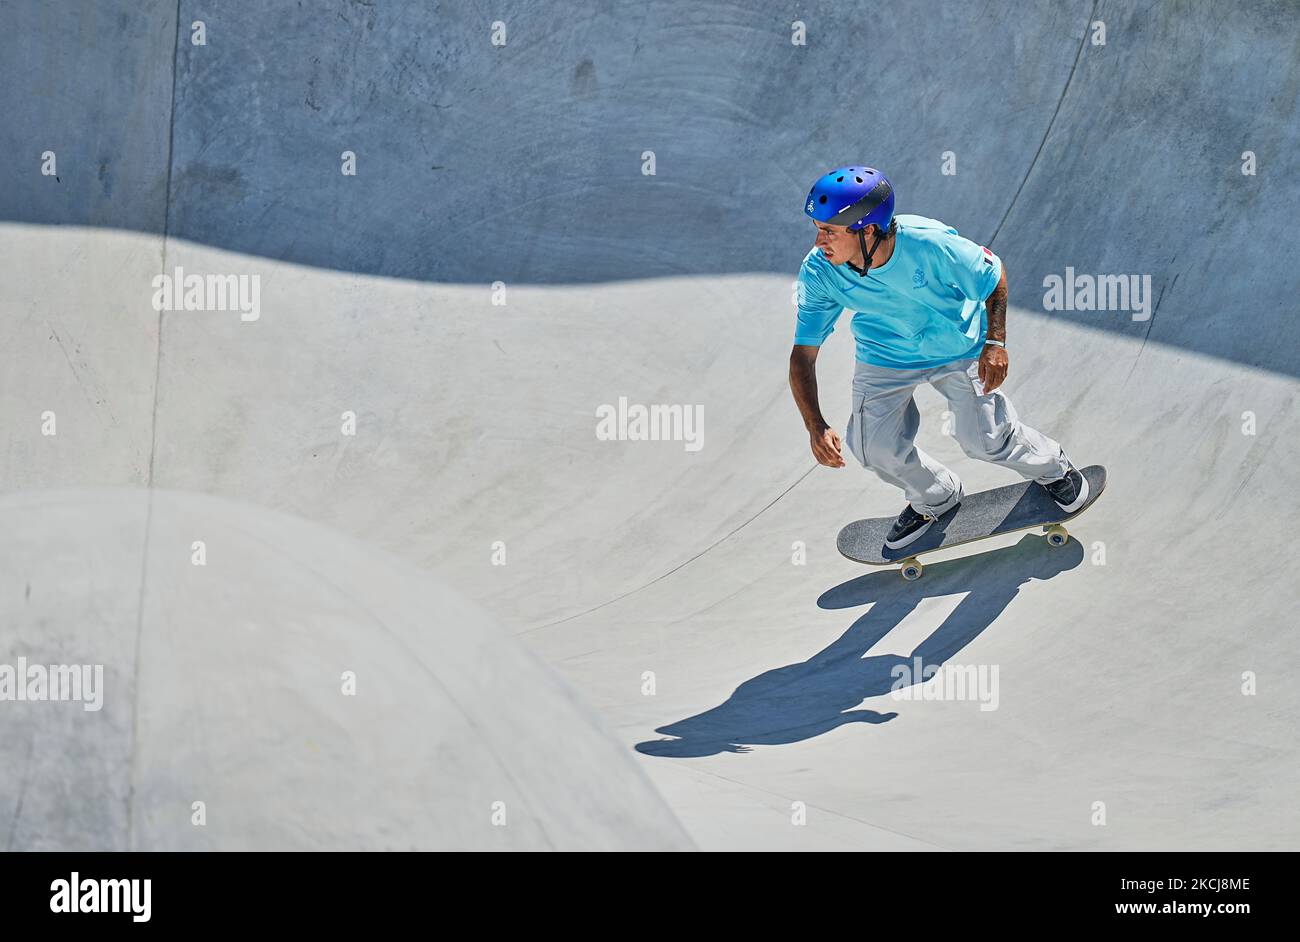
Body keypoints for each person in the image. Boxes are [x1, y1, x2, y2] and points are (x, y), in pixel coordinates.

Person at [789, 166, 1088, 549]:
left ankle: (1054, 468)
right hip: (885, 355)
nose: (819, 241)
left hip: (957, 346)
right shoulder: (819, 271)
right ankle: (936, 495)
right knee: (870, 448)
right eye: (817, 228)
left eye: (829, 230)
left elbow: (993, 275)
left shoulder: (928, 244)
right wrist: (814, 424)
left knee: (984, 439)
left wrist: (995, 343)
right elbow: (803, 354)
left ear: (866, 230)